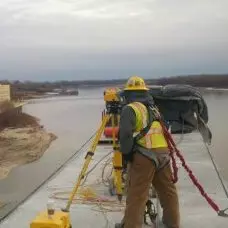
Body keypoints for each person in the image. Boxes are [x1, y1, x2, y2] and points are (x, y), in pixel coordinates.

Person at [115, 76, 180, 228]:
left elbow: (124, 134)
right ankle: (173, 224)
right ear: (145, 92)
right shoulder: (154, 108)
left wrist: (126, 154)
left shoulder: (130, 109)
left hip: (144, 156)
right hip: (163, 155)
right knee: (168, 193)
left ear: (128, 94)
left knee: (137, 195)